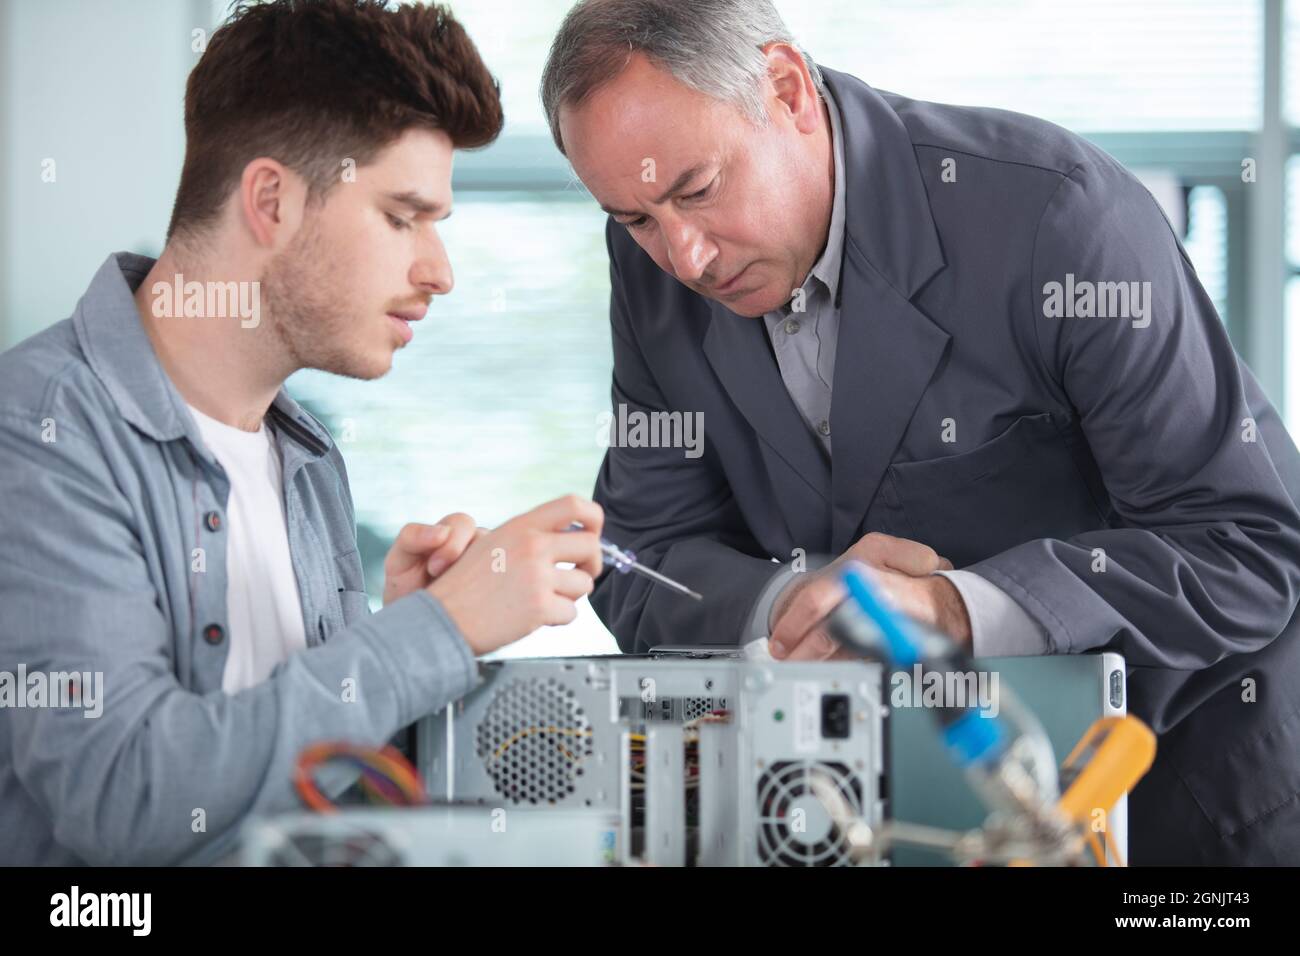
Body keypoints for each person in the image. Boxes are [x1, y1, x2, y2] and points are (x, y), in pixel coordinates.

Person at [543, 0, 1300, 864]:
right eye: (634, 219)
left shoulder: (1058, 217)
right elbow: (643, 550)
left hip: (1191, 805)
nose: (683, 258)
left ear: (788, 90)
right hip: (908, 818)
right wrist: (798, 607)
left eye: (699, 190)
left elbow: (1247, 544)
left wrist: (953, 606)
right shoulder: (657, 271)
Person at [0, 0, 604, 865]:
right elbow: (126, 796)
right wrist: (436, 629)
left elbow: (311, 793)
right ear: (272, 201)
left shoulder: (306, 455)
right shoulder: (39, 433)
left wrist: (396, 641)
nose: (440, 272)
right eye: (403, 217)